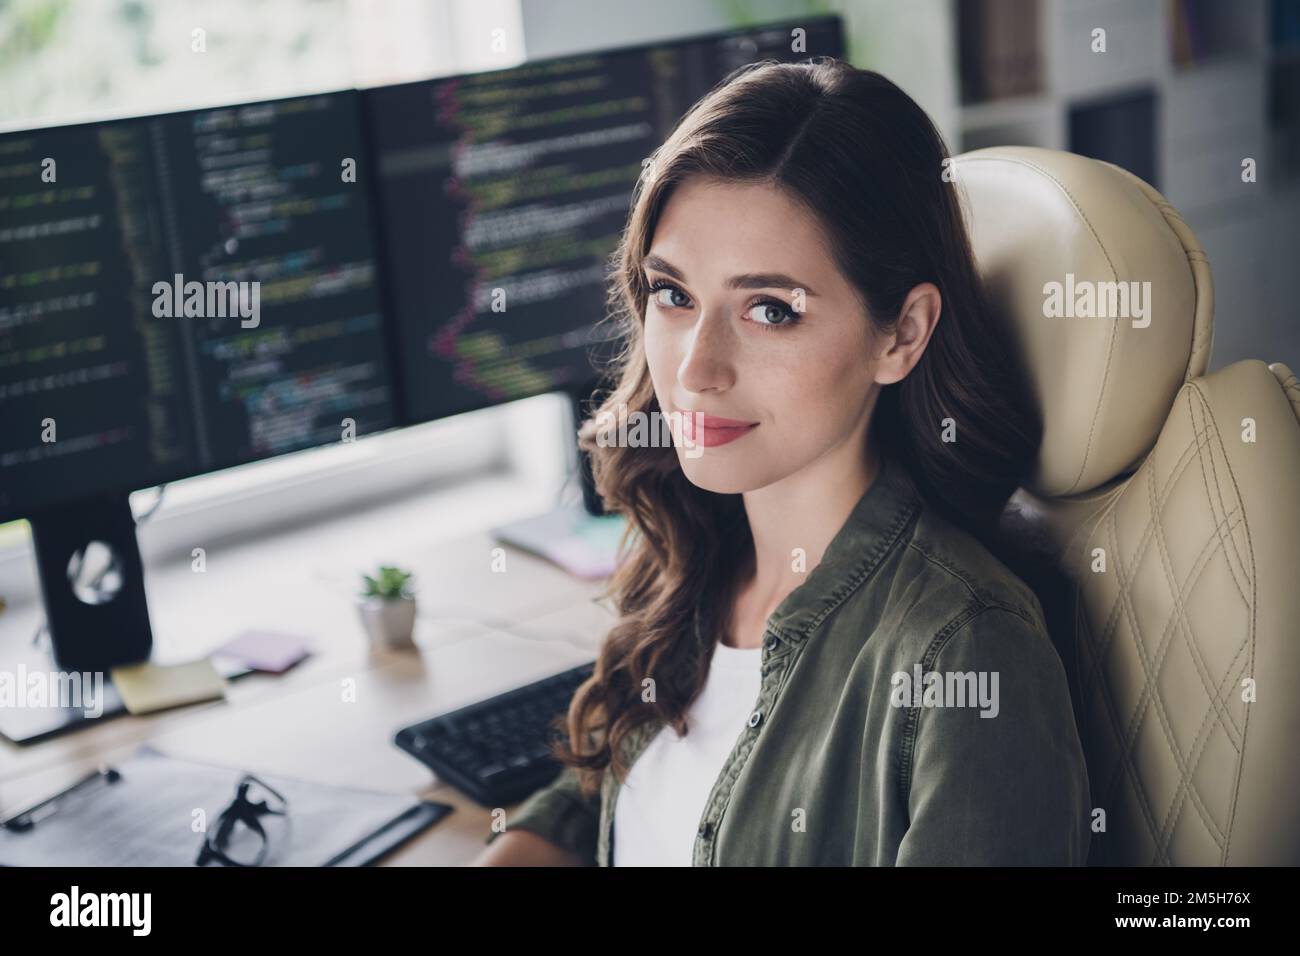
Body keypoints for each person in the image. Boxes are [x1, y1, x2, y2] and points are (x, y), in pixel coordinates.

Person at [472, 57, 1090, 866]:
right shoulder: (701, 555)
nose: (695, 369)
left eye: (770, 310)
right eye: (673, 294)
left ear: (900, 334)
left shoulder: (968, 653)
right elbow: (602, 795)